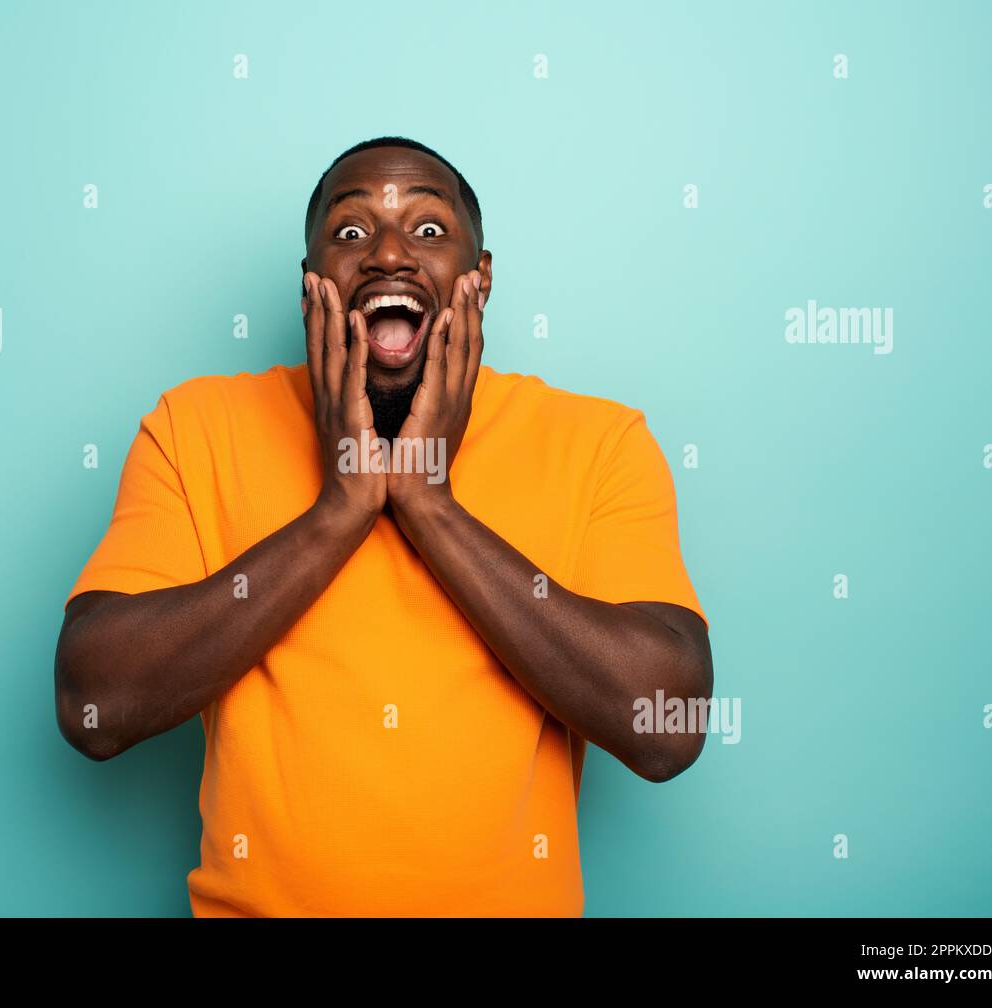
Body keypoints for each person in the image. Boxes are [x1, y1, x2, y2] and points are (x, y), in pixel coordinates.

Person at [55, 136, 713, 917]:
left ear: (482, 278)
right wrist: (341, 509)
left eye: (430, 231)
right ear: (310, 286)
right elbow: (92, 703)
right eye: (351, 232)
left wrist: (429, 501)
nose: (389, 255)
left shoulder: (598, 441)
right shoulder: (194, 427)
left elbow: (668, 727)